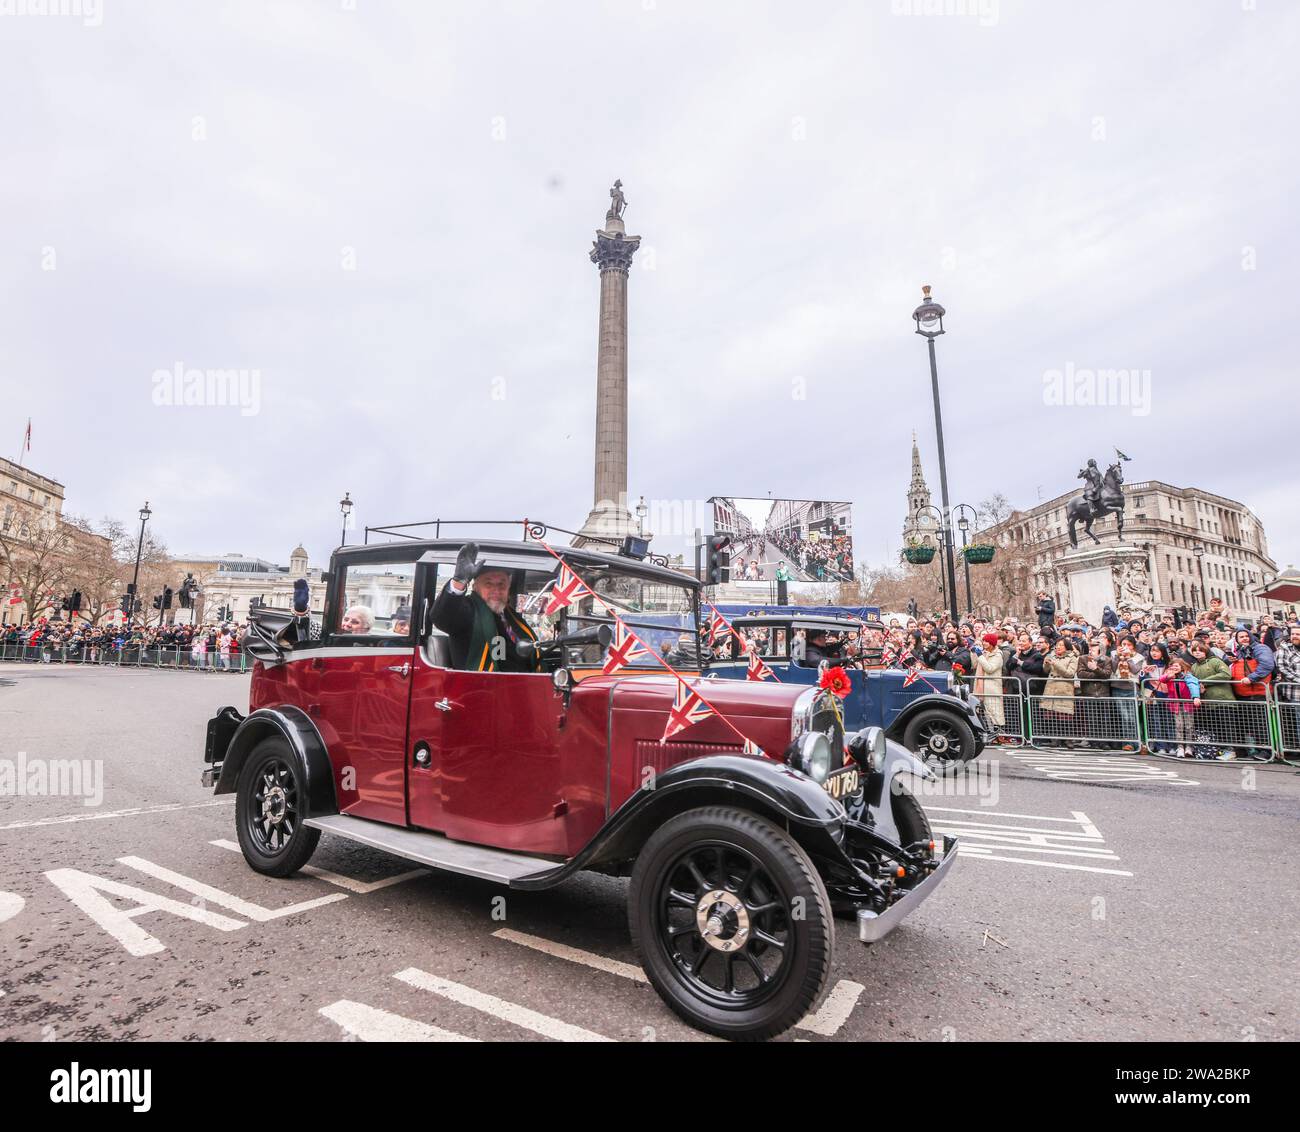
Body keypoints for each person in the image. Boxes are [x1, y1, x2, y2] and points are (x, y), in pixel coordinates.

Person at [431, 542, 541, 673]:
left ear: (508, 588)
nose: (496, 590)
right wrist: (459, 582)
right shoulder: (468, 610)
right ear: (475, 587)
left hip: (525, 685)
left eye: (502, 584)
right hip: (481, 688)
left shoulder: (512, 618)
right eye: (488, 584)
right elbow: (442, 618)